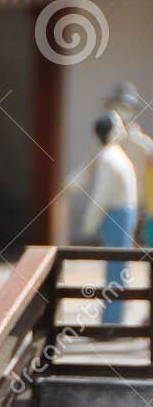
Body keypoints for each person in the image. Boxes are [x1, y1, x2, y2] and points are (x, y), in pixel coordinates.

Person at [67, 111, 139, 324]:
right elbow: (102, 195)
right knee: (117, 268)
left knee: (119, 268)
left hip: (123, 214)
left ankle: (114, 318)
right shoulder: (109, 157)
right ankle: (111, 321)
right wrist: (90, 222)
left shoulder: (110, 154)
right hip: (117, 215)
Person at [104, 81, 153, 244]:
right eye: (115, 107)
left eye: (124, 107)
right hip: (112, 205)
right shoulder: (109, 143)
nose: (120, 112)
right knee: (117, 251)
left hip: (141, 208)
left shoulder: (144, 145)